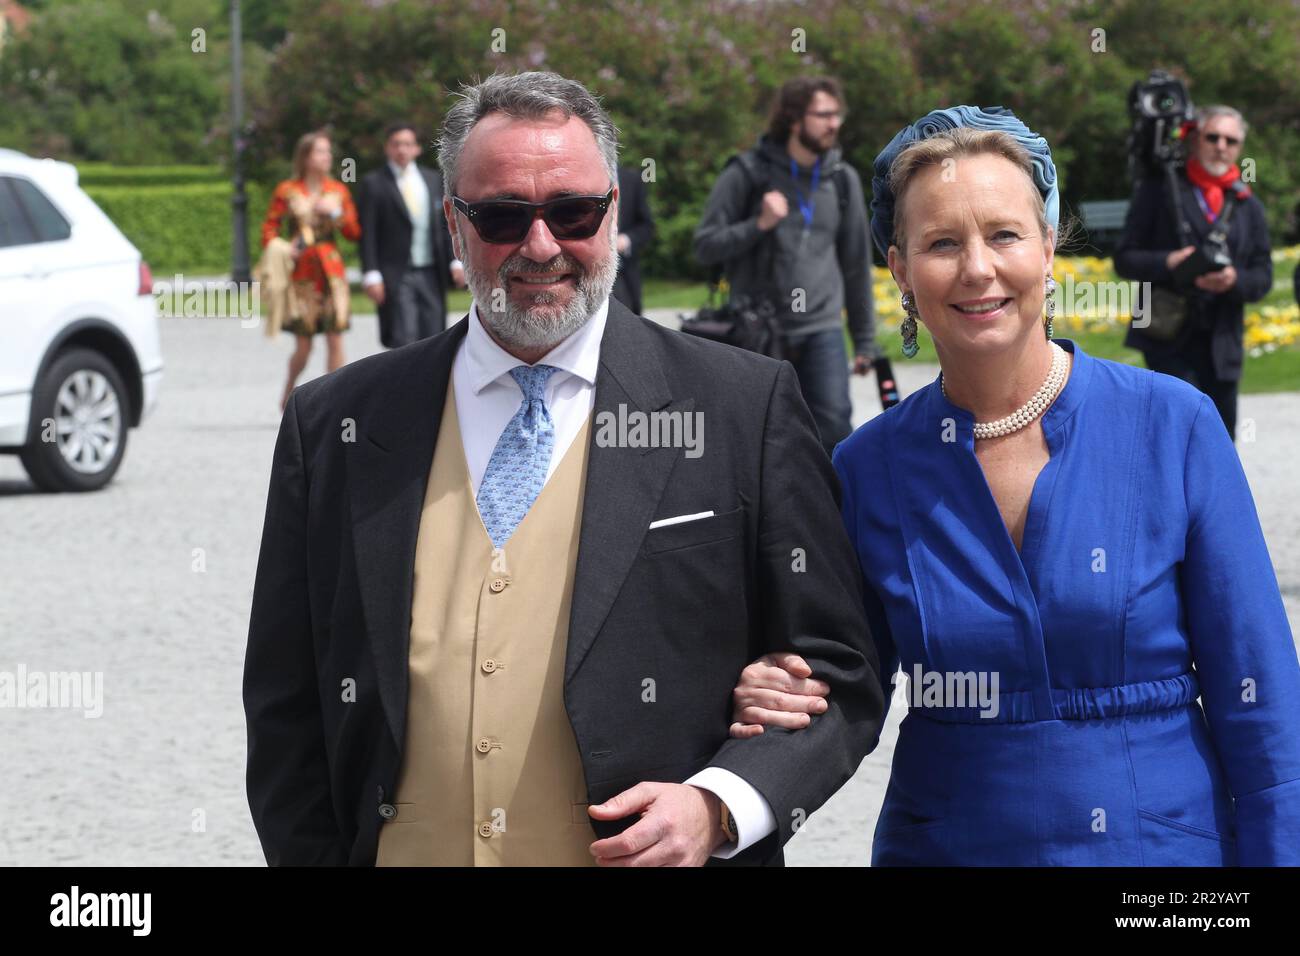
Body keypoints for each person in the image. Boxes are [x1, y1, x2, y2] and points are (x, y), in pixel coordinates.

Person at [243, 71, 883, 867]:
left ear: (612, 211)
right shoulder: (335, 424)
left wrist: (721, 805)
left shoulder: (740, 407)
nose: (540, 246)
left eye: (573, 213)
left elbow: (839, 669)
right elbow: (286, 710)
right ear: (453, 224)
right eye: (504, 216)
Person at [727, 107, 1300, 866]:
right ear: (898, 269)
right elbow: (843, 679)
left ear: (1049, 246)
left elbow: (1261, 700)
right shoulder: (867, 468)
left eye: (1003, 234)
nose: (977, 268)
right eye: (941, 243)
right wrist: (778, 688)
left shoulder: (1174, 426)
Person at [694, 76, 876, 457]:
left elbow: (856, 264)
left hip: (821, 331)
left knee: (834, 435)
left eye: (836, 114)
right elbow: (705, 246)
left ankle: (829, 516)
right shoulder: (747, 173)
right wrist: (758, 225)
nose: (834, 124)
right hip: (759, 332)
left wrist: (864, 340)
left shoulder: (842, 180)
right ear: (794, 119)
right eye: (823, 115)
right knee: (756, 439)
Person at [1115, 106, 1272, 440]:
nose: (1221, 146)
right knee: (1175, 436)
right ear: (1195, 139)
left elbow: (1263, 276)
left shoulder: (1248, 204)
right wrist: (1170, 261)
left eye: (1231, 140)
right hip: (1165, 334)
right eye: (1212, 136)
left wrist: (1234, 281)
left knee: (1219, 442)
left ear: (1240, 148)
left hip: (1223, 341)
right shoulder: (1159, 190)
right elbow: (1124, 258)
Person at [256, 129, 361, 412]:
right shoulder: (287, 191)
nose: (327, 157)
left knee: (335, 337)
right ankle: (290, 386)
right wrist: (281, 247)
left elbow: (353, 232)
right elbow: (268, 228)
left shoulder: (338, 191)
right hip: (301, 274)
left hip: (332, 273)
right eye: (320, 151)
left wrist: (335, 213)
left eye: (328, 151)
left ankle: (333, 400)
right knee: (304, 345)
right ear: (305, 156)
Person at [358, 122, 465, 348]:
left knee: (434, 334)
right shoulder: (374, 184)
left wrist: (455, 259)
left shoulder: (433, 180)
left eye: (407, 144)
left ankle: (431, 383)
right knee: (403, 337)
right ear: (387, 148)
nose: (401, 150)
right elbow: (367, 232)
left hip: (431, 271)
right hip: (395, 273)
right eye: (396, 144)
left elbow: (445, 224)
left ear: (417, 149)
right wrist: (371, 273)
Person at [610, 164, 654, 314]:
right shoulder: (582, 174)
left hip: (624, 270)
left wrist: (626, 240)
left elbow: (647, 226)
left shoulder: (632, 179)